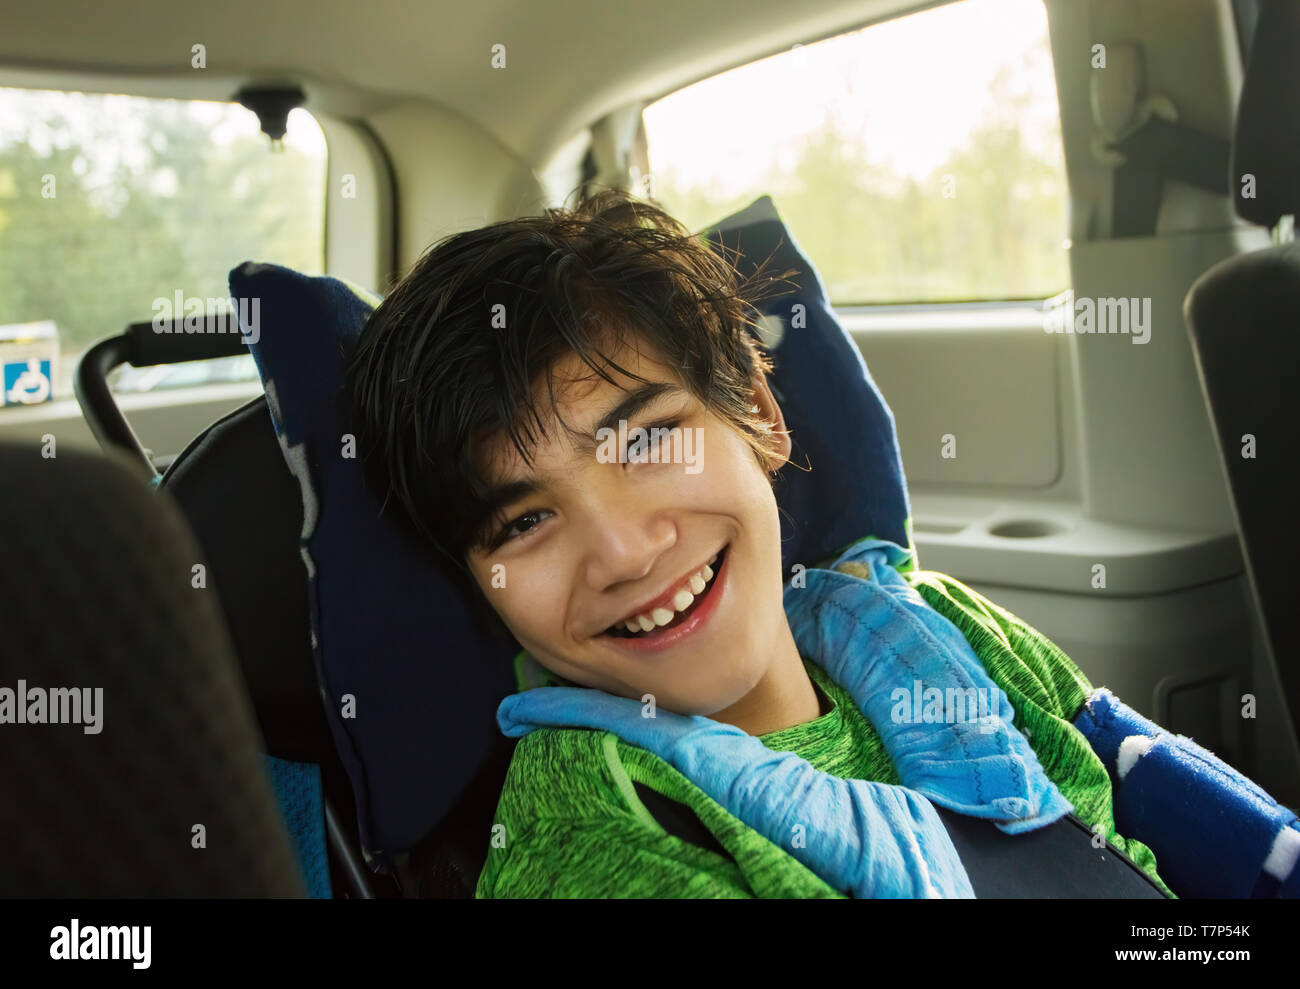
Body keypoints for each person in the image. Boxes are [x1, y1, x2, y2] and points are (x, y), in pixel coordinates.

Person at [345, 189, 1283, 898]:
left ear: (757, 408)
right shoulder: (592, 837)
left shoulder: (937, 631)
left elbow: (1240, 842)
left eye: (645, 439)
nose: (625, 553)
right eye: (523, 521)